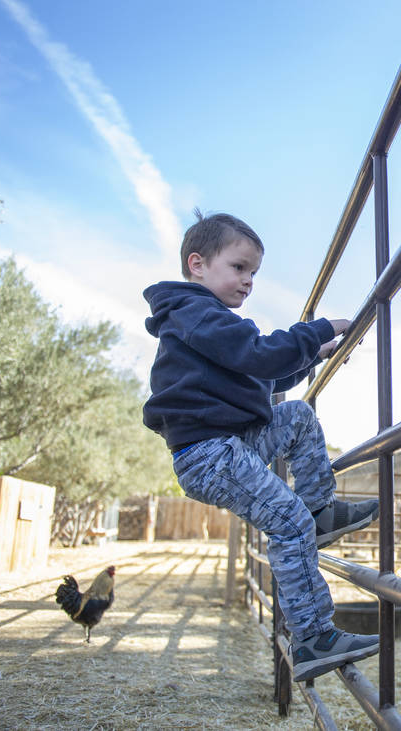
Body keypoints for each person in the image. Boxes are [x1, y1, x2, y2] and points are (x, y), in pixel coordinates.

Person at [142, 209, 380, 681]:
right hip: (208, 454)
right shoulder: (195, 313)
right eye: (239, 267)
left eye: (253, 272)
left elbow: (263, 374)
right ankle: (314, 637)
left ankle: (320, 510)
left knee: (297, 417)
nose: (248, 281)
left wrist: (313, 356)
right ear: (197, 264)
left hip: (229, 443)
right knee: (287, 524)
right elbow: (259, 354)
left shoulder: (207, 325)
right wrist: (319, 329)